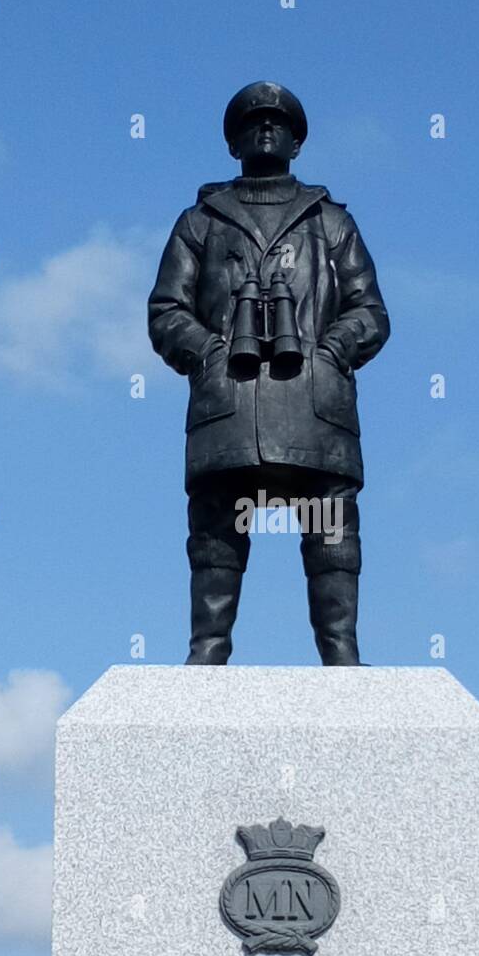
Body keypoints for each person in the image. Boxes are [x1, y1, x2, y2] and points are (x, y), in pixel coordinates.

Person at [148, 81, 390, 664]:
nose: (265, 130)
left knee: (330, 529)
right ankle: (206, 653)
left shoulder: (330, 222)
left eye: (277, 124)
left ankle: (343, 657)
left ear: (297, 142)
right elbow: (165, 311)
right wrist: (208, 351)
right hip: (228, 398)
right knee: (214, 533)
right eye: (251, 123)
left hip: (314, 402)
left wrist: (330, 349)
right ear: (232, 144)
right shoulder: (200, 222)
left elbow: (371, 312)